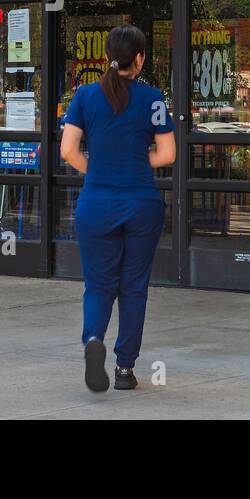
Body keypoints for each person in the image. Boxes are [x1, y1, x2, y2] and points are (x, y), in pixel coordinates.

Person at [60, 24, 175, 392]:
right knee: (134, 286)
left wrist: (99, 167)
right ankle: (125, 368)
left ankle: (93, 339)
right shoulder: (154, 99)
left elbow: (67, 151)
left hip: (96, 204)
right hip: (141, 203)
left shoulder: (85, 96)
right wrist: (135, 162)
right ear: (139, 59)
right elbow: (168, 154)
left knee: (98, 285)